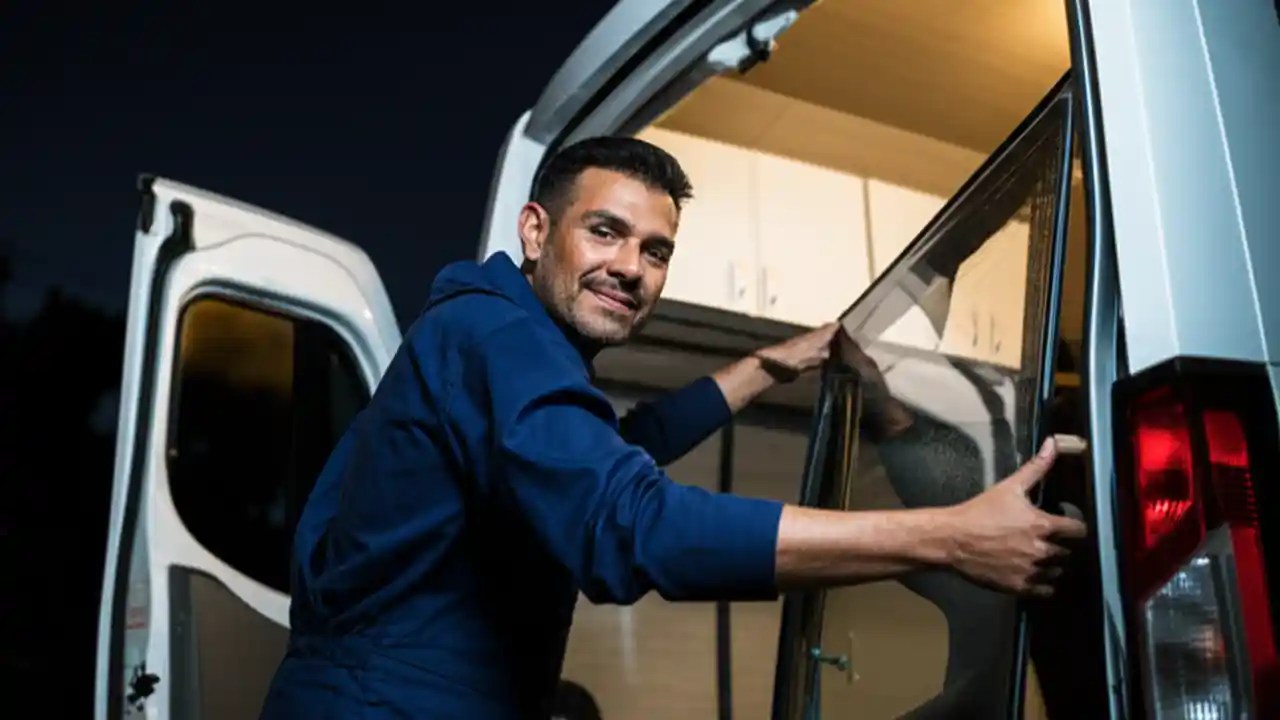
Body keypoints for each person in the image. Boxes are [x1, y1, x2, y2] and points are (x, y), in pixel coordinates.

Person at [258, 136, 1087, 719]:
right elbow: (628, 524)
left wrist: (768, 365)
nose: (630, 267)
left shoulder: (493, 339)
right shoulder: (499, 338)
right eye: (606, 231)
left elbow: (620, 450)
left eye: (656, 250)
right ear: (536, 231)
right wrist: (951, 537)